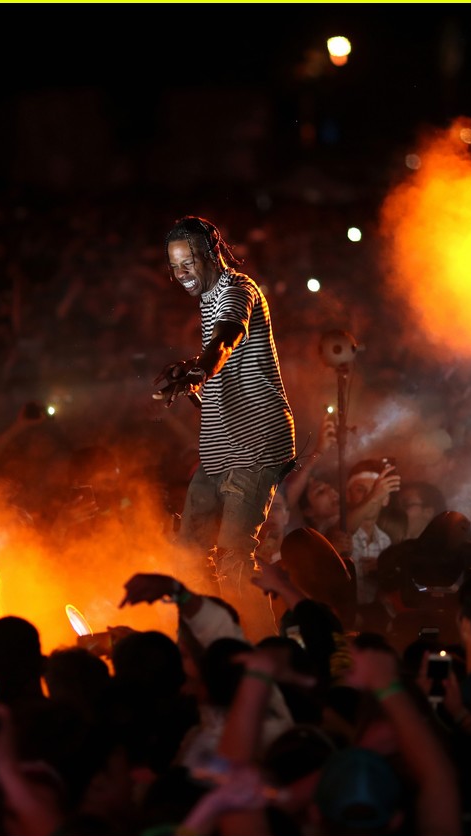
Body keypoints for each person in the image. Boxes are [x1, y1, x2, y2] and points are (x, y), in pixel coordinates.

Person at [153, 214, 296, 640]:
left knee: (234, 560)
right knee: (188, 555)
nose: (181, 275)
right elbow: (223, 369)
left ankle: (267, 654)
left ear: (212, 252)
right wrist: (187, 384)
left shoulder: (238, 289)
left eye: (188, 263)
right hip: (220, 449)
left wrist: (199, 370)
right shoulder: (207, 296)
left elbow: (227, 339)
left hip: (255, 446)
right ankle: (211, 644)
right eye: (174, 267)